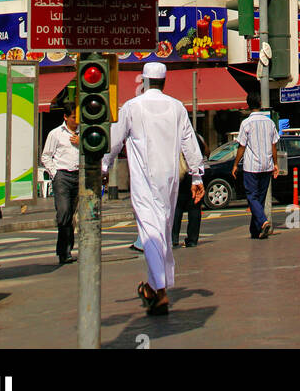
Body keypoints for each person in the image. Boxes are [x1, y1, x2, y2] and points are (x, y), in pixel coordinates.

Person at [102, 60, 204, 315]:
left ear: (144, 81)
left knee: (151, 232)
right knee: (163, 229)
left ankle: (159, 290)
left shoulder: (132, 107)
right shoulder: (177, 107)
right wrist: (197, 176)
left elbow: (114, 141)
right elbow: (189, 142)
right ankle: (156, 286)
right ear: (165, 81)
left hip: (144, 180)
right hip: (169, 179)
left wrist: (104, 167)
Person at [232, 91, 280, 239]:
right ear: (260, 104)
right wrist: (275, 164)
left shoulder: (246, 123)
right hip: (267, 165)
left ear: (248, 105)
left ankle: (263, 221)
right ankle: (255, 230)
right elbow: (274, 146)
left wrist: (235, 164)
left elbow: (242, 146)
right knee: (259, 198)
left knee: (252, 197)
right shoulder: (270, 122)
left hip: (251, 166)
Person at [41, 103, 80, 264]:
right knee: (63, 212)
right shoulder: (55, 134)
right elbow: (46, 156)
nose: (76, 120)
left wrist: (81, 142)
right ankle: (63, 251)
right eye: (73, 117)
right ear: (65, 117)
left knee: (71, 214)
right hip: (62, 176)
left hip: (78, 176)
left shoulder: (83, 134)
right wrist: (55, 173)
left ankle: (68, 248)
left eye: (78, 117)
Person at [172, 132, 208, 248]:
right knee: (195, 207)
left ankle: (173, 238)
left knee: (177, 207)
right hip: (195, 174)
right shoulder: (198, 137)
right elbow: (207, 151)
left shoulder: (175, 136)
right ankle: (192, 239)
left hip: (180, 174)